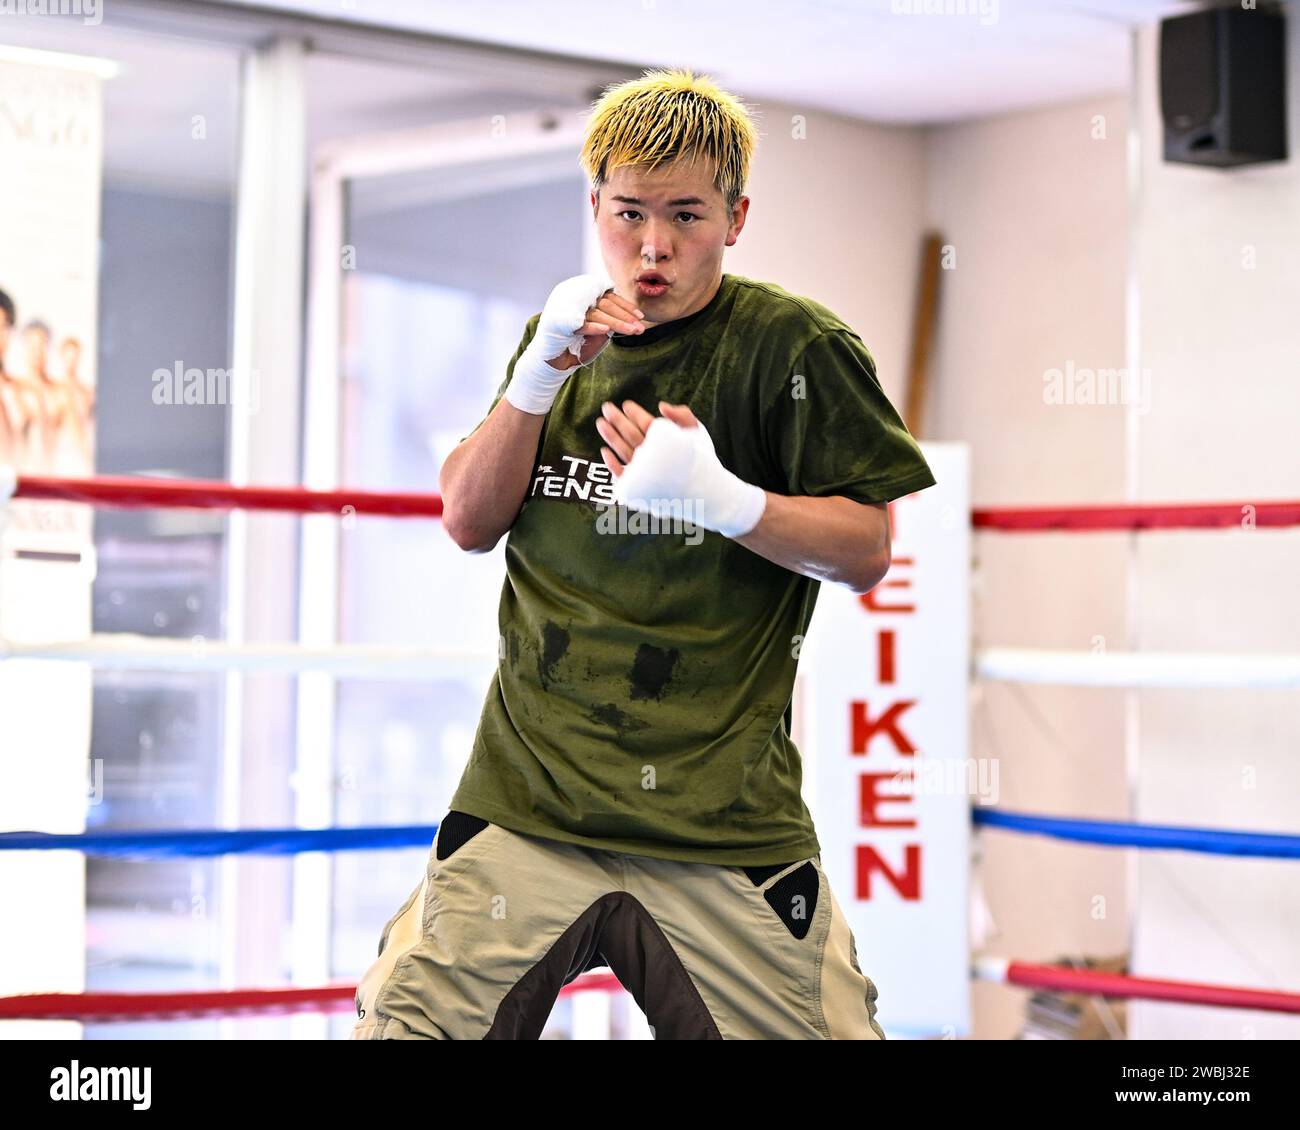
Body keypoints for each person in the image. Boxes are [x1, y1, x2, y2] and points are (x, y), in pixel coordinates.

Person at [352, 67, 936, 1040]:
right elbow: (466, 516)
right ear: (594, 206)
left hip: (721, 822)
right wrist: (536, 377)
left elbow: (868, 547)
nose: (653, 244)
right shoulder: (563, 335)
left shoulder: (793, 347)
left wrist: (725, 500)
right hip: (530, 804)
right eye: (628, 212)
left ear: (736, 217)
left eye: (686, 215)